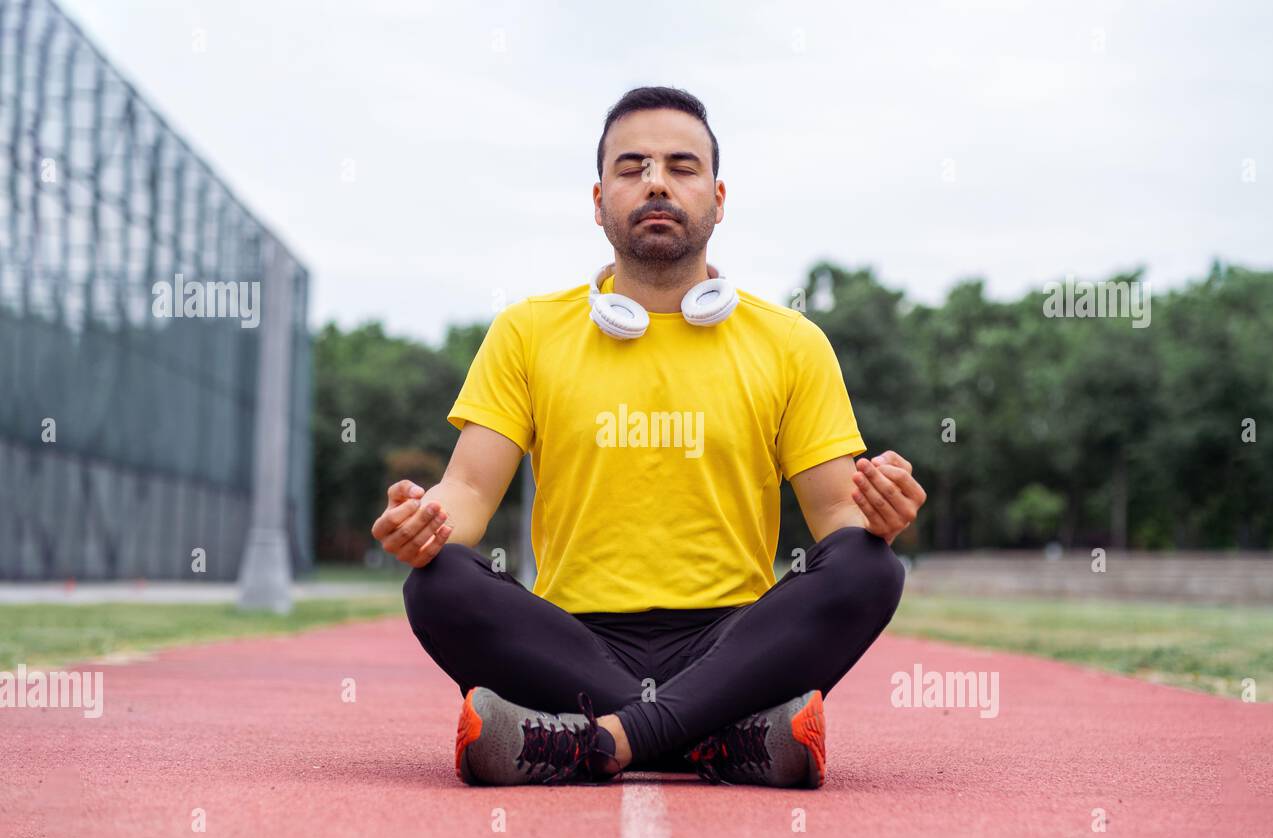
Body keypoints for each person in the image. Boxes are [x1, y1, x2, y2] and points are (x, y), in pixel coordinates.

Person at [371, 86, 927, 788]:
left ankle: (589, 746)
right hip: (572, 643)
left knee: (869, 566)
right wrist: (422, 524)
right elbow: (470, 494)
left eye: (681, 166)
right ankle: (719, 740)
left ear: (718, 198)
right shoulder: (526, 332)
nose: (657, 181)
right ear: (599, 198)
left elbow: (837, 519)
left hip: (733, 644)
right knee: (438, 583)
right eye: (631, 167)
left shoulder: (792, 343)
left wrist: (882, 514)